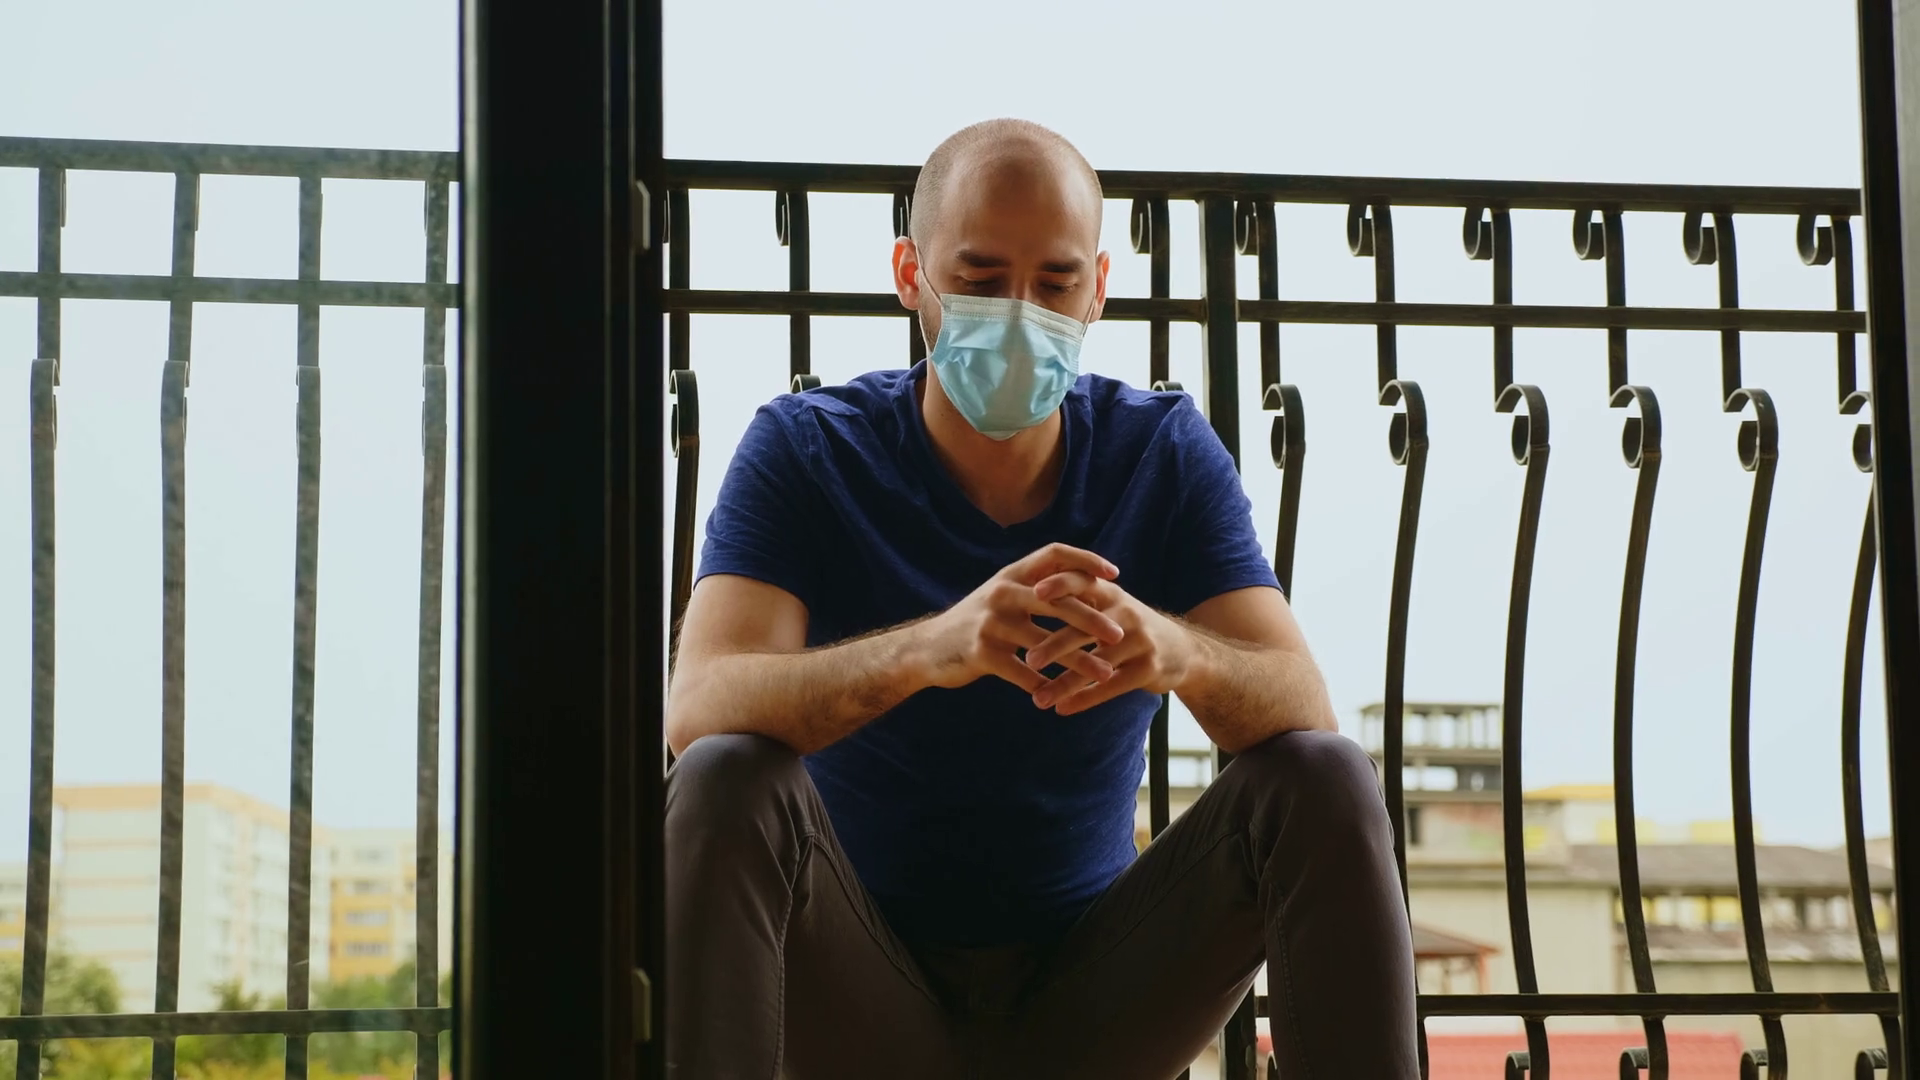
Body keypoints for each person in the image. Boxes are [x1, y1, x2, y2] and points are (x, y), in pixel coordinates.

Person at [665, 118, 1417, 1079]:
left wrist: (1174, 650)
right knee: (729, 778)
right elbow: (700, 710)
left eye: (1055, 283)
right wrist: (933, 649)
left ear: (1098, 288)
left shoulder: (1159, 452)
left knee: (1324, 778)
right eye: (978, 279)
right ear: (911, 274)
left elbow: (1302, 706)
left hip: (1090, 1004)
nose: (1020, 313)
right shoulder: (810, 450)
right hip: (861, 1000)